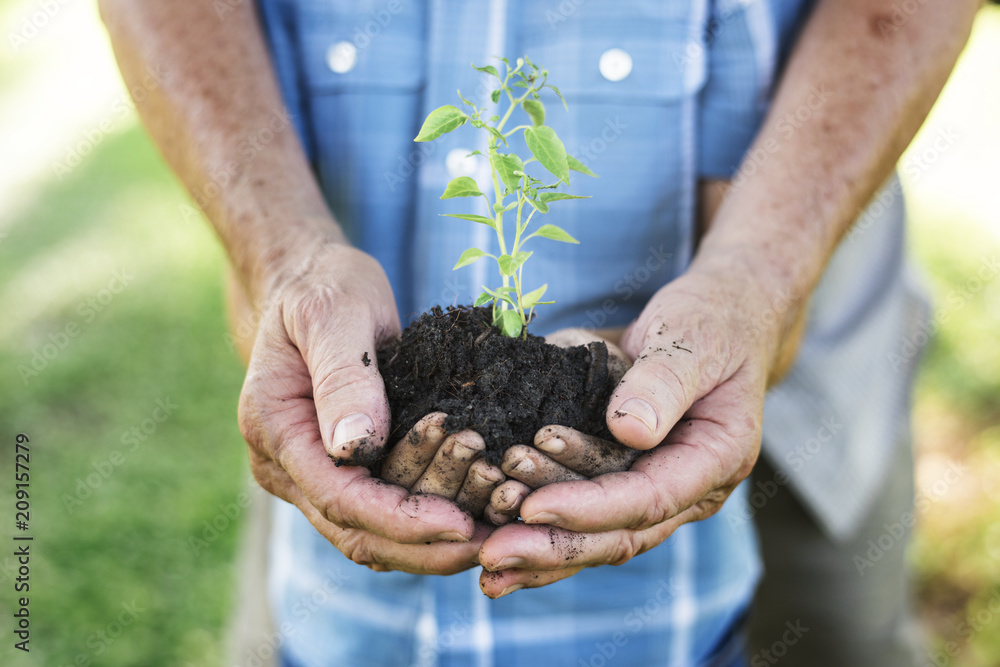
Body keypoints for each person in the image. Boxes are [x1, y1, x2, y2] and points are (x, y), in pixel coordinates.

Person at [99, 0, 981, 664]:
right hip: (327, 355)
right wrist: (278, 252)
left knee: (824, 636)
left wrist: (761, 273)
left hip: (798, 325)